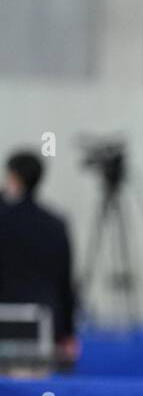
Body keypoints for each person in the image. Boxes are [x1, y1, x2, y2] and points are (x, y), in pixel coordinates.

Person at [0, 151, 79, 366]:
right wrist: (69, 333)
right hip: (46, 328)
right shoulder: (55, 224)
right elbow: (65, 283)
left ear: (13, 178)